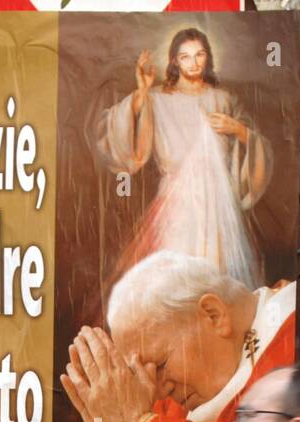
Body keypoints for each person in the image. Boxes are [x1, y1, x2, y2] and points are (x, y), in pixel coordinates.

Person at [60, 251, 295, 422]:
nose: (158, 390)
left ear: (213, 315)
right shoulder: (167, 405)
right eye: (139, 373)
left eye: (160, 365)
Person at [95, 28, 271, 290]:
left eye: (199, 55)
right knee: (176, 281)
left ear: (207, 57)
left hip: (218, 200)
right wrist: (142, 91)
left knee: (220, 279)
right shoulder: (157, 98)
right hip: (176, 202)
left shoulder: (222, 99)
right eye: (185, 56)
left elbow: (259, 146)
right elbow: (118, 135)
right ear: (175, 61)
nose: (194, 62)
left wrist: (239, 130)